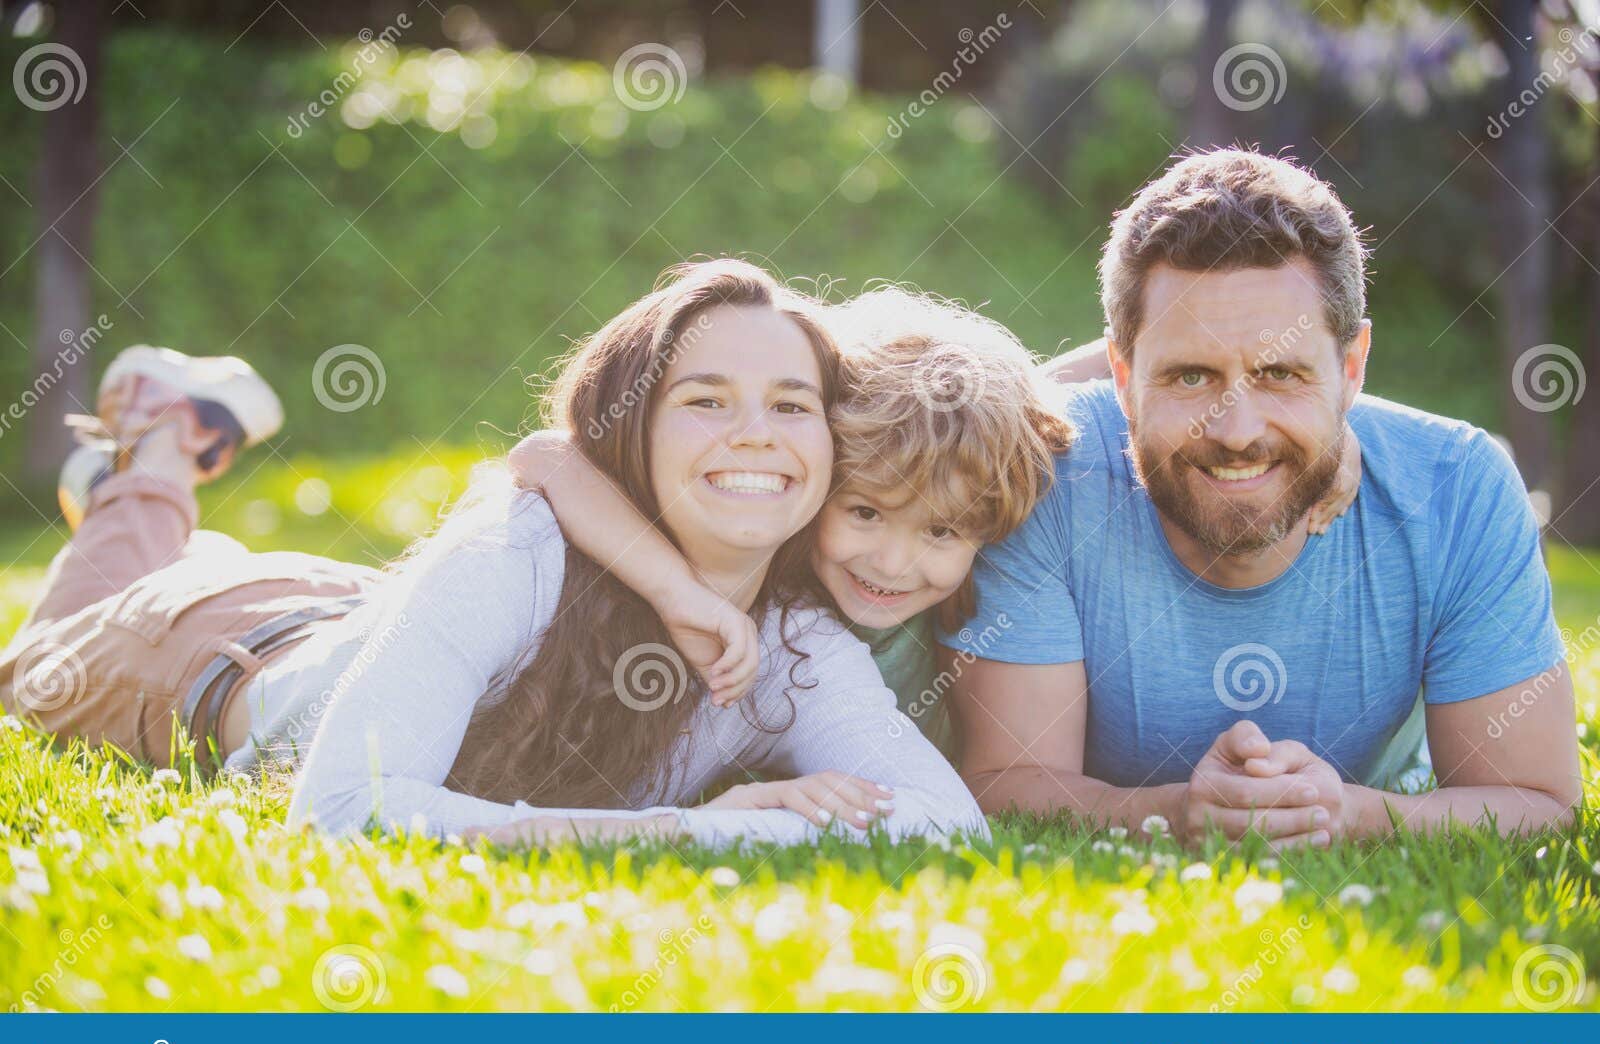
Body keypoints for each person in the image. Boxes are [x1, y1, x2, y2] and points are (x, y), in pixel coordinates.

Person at [0, 261, 986, 849]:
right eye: (704, 399)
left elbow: (945, 821)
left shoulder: (796, 640)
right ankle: (161, 446)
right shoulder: (514, 551)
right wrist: (706, 828)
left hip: (373, 613)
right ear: (629, 427)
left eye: (789, 404)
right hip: (213, 646)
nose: (756, 434)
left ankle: (139, 472)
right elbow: (341, 812)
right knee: (32, 663)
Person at [942, 148, 1579, 849]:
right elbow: (1005, 781)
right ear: (1122, 375)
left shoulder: (1460, 488)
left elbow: (1536, 801)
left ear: (1352, 367)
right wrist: (1178, 813)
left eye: (1279, 373)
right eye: (1190, 376)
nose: (1237, 432)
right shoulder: (1043, 475)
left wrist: (1347, 812)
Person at [506, 286, 1359, 766]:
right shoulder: (746, 548)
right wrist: (672, 587)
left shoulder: (979, 569)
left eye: (944, 533)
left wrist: (1332, 432)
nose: (893, 560)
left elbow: (1102, 376)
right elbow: (547, 455)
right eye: (866, 512)